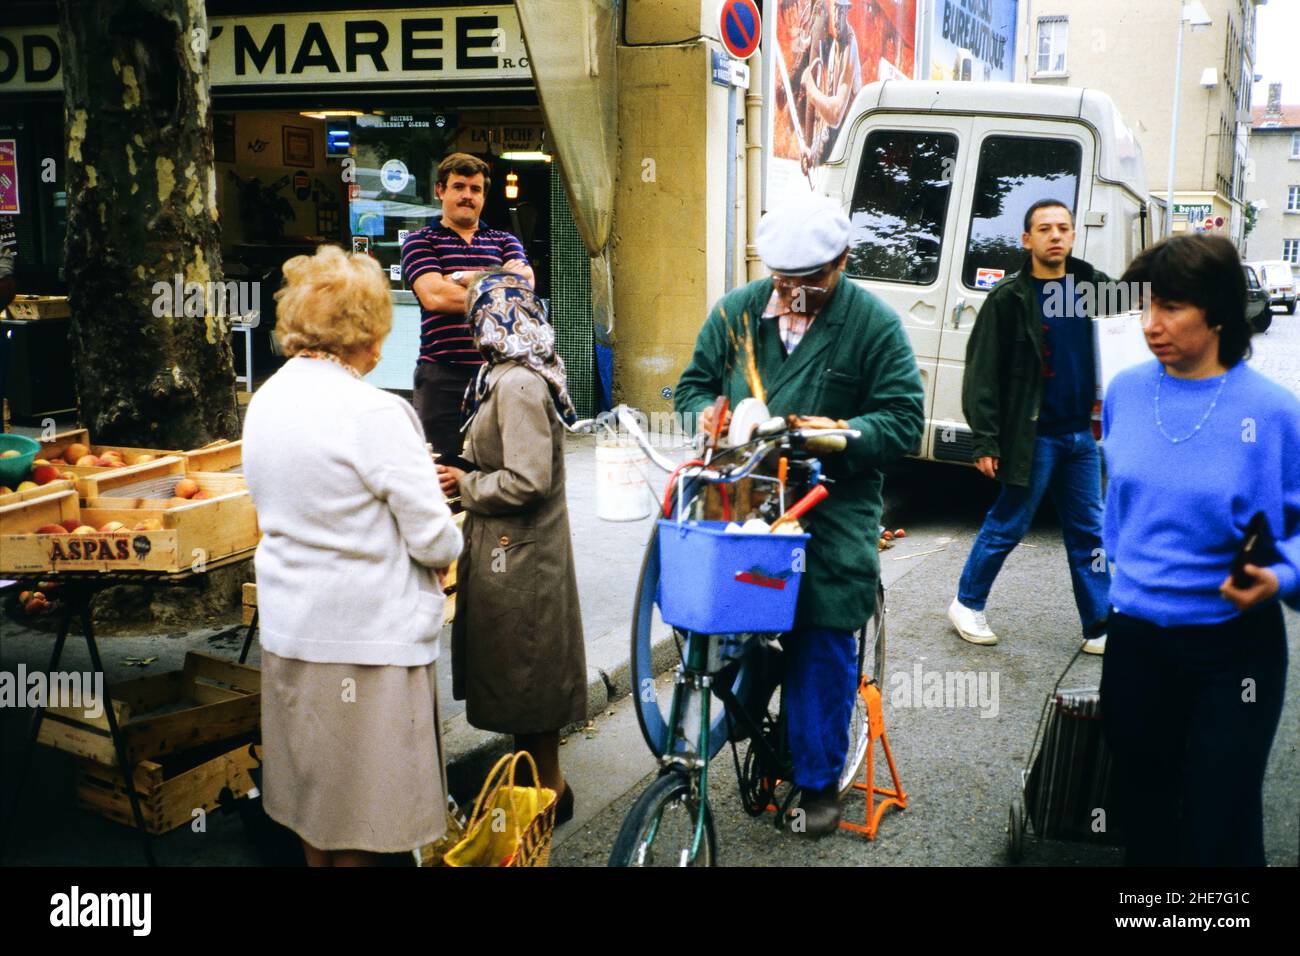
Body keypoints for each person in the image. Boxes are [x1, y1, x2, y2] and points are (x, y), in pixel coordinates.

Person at [674, 195, 925, 838]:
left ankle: (817, 780)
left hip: (831, 500)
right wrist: (706, 413)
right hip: (745, 490)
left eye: (811, 281)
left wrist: (840, 433)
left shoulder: (872, 324)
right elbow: (694, 384)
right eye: (783, 281)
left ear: (841, 263)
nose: (794, 293)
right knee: (713, 604)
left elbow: (902, 419)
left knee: (822, 624)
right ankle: (725, 716)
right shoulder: (736, 312)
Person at [243, 245, 463, 866]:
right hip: (368, 645)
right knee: (364, 825)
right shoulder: (375, 411)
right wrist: (453, 539)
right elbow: (434, 538)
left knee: (316, 812)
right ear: (360, 332)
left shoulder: (267, 400)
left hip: (293, 632)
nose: (381, 348)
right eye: (378, 333)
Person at [1100, 234, 1299, 866]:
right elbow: (1119, 509)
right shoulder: (1125, 393)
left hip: (1232, 650)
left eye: (1171, 308)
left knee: (1222, 821)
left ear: (1216, 312)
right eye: (1145, 306)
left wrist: (1281, 576)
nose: (1150, 325)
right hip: (1135, 642)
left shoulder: (1273, 414)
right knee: (1143, 815)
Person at [436, 270, 585, 825]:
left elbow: (527, 480)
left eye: (477, 314)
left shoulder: (517, 384)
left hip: (522, 552)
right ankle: (536, 790)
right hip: (512, 548)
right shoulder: (505, 375)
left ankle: (547, 797)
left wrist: (463, 483)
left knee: (529, 674)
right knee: (523, 673)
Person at [949, 200, 1112, 654]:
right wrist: (985, 439)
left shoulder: (1089, 288)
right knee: (1009, 524)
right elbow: (981, 374)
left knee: (1089, 533)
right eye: (1044, 229)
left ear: (1074, 236)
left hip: (1081, 436)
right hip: (1033, 436)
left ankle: (1099, 623)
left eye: (1063, 228)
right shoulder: (1010, 298)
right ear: (1027, 240)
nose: (1055, 236)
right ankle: (967, 603)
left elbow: (1145, 312)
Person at [401, 153, 534, 460]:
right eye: (458, 186)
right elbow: (435, 296)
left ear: (484, 196)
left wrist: (462, 277)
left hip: (501, 373)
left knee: (500, 464)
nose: (467, 196)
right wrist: (499, 282)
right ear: (440, 191)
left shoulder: (504, 239)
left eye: (475, 189)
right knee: (438, 466)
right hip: (441, 375)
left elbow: (524, 288)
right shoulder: (421, 241)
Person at [799, 0, 861, 174]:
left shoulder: (850, 47)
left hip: (849, 143)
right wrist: (811, 150)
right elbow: (829, 121)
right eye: (835, 9)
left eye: (842, 11)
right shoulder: (836, 45)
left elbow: (834, 115)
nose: (837, 17)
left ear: (847, 11)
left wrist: (810, 88)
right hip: (837, 138)